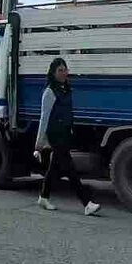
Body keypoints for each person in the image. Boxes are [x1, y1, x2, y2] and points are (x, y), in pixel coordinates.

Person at [34, 58, 100, 216]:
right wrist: (39, 144)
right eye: (60, 70)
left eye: (65, 70)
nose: (64, 73)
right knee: (70, 168)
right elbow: (44, 118)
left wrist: (70, 129)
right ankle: (87, 203)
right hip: (55, 135)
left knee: (54, 167)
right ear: (53, 73)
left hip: (64, 133)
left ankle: (43, 197)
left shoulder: (65, 89)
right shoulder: (49, 92)